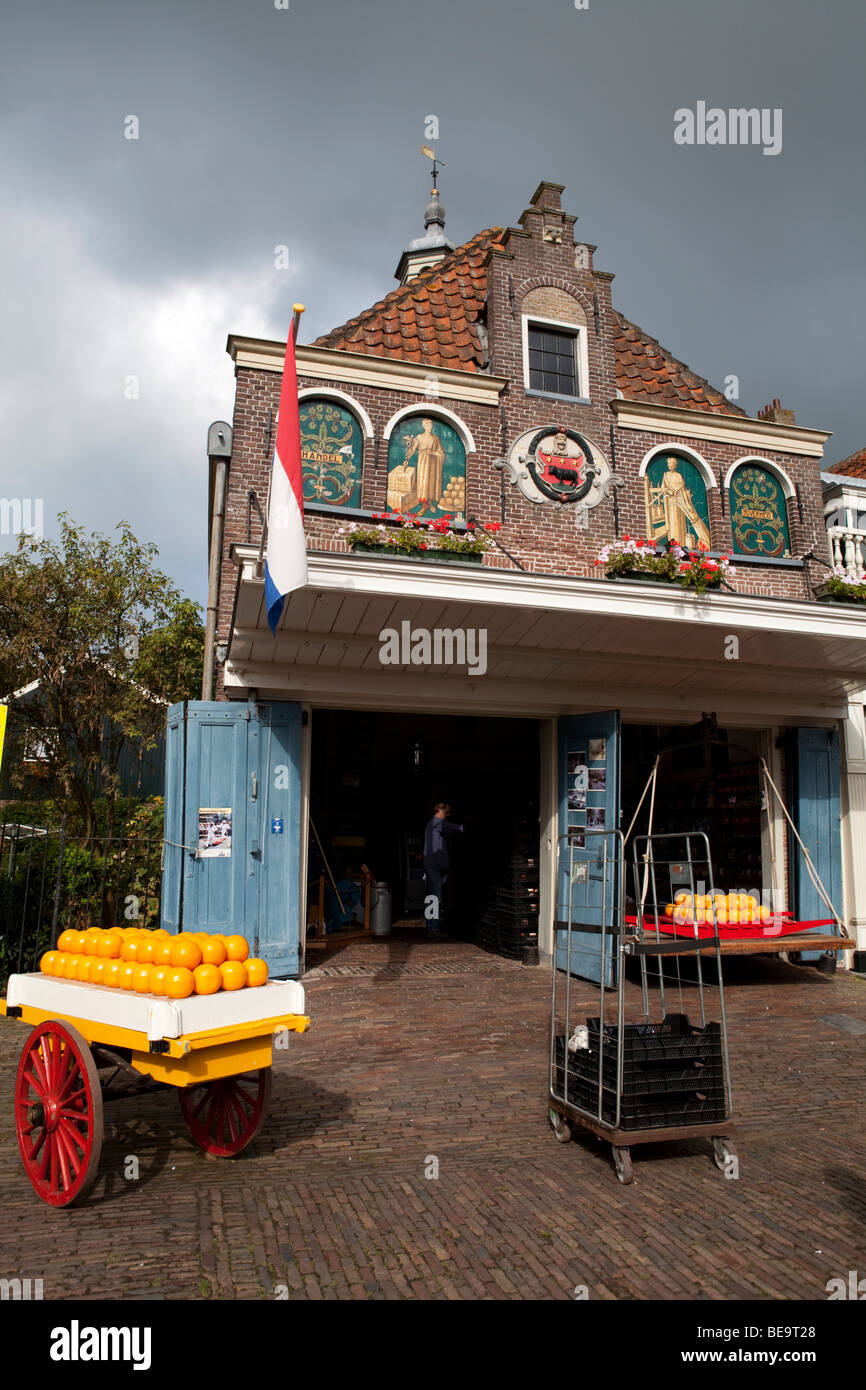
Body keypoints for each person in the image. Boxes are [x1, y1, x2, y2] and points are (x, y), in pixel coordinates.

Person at [423, 801, 463, 936]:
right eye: (447, 812)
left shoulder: (431, 824)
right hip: (435, 866)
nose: (448, 814)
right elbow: (454, 828)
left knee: (431, 896)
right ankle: (433, 928)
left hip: (432, 866)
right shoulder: (437, 822)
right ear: (440, 810)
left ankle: (430, 926)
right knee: (435, 897)